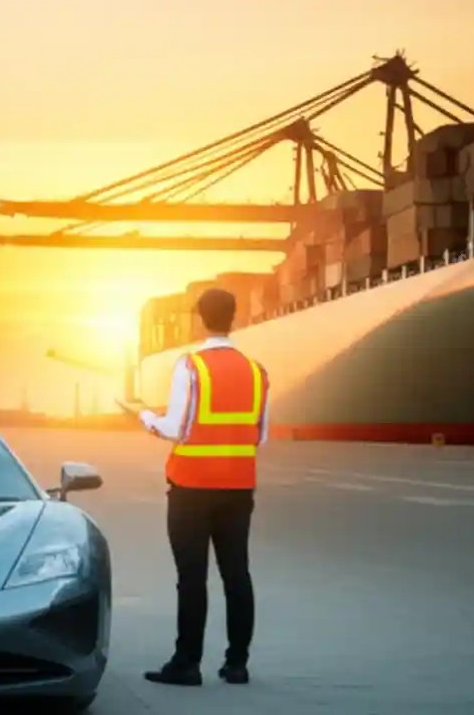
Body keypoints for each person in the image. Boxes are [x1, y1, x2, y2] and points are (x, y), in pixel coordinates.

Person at [137, 287, 269, 687]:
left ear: (199, 318)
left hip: (191, 488)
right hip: (238, 489)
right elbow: (259, 436)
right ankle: (237, 664)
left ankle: (187, 663)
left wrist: (146, 418)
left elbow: (177, 428)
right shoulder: (256, 370)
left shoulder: (190, 366)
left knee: (192, 577)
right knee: (237, 574)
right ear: (235, 317)